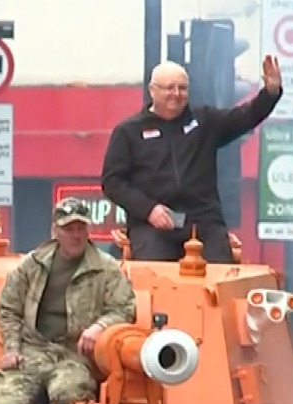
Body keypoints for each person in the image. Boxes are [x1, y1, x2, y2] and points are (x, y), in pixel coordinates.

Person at [100, 57, 283, 264]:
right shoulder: (129, 131)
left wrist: (270, 94)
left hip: (203, 221)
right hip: (152, 225)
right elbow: (112, 182)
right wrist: (149, 209)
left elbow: (245, 116)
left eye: (182, 88)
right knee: (154, 272)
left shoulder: (205, 121)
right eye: (169, 88)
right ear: (152, 90)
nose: (176, 94)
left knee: (222, 272)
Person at [0, 198, 136, 404]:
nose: (76, 235)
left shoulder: (106, 269)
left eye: (81, 228)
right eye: (68, 229)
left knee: (71, 399)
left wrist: (100, 326)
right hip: (33, 351)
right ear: (55, 231)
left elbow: (124, 308)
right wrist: (12, 348)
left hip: (75, 354)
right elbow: (9, 308)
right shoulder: (32, 265)